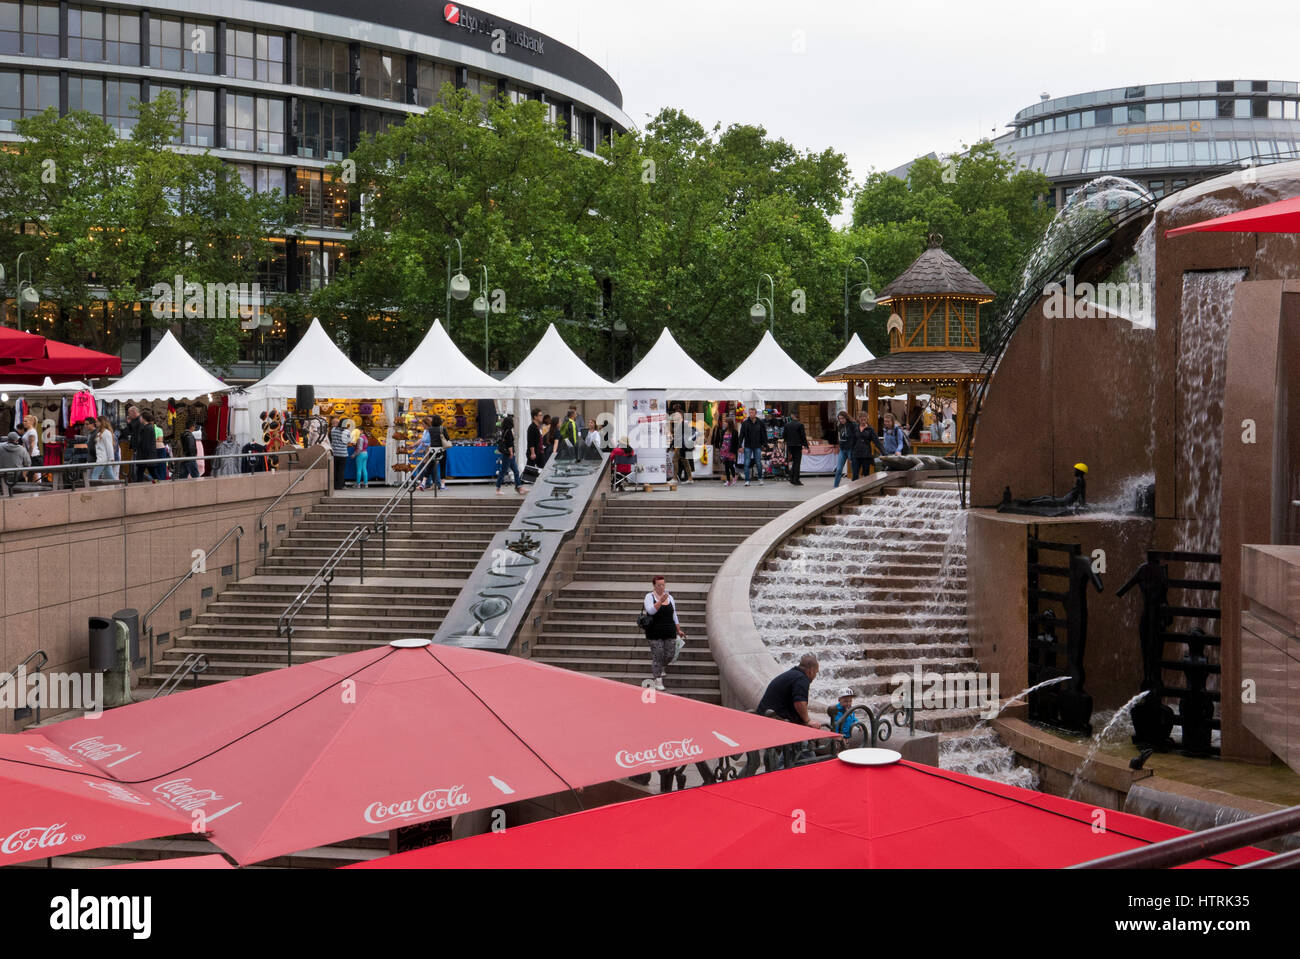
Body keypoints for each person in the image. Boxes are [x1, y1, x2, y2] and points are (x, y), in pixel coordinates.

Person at [643, 575, 685, 690]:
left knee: (670, 654)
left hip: (669, 630)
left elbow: (674, 614)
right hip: (654, 631)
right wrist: (660, 601)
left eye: (663, 585)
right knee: (658, 654)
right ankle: (657, 680)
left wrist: (678, 629)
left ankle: (661, 667)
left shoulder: (670, 597)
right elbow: (650, 611)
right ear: (654, 586)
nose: (661, 587)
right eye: (658, 585)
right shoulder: (649, 596)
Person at [755, 653, 821, 727]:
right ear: (811, 670)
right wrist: (808, 721)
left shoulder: (792, 674)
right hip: (772, 722)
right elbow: (799, 703)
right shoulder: (802, 679)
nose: (815, 675)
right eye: (816, 672)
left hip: (762, 717)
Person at [494, 414, 524, 495]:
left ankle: (519, 487)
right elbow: (509, 444)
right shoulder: (509, 432)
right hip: (508, 455)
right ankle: (498, 488)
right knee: (503, 471)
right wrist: (511, 453)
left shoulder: (504, 431)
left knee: (516, 471)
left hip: (508, 454)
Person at [737, 406, 767, 487]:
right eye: (750, 412)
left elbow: (764, 434)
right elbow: (741, 435)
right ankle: (747, 480)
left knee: (758, 463)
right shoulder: (745, 423)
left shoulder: (760, 422)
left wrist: (765, 444)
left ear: (755, 413)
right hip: (748, 446)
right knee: (746, 463)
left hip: (757, 445)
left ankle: (760, 478)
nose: (751, 414)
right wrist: (739, 446)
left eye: (752, 412)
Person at [853, 410, 883, 480]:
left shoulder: (870, 429)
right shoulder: (855, 428)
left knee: (866, 474)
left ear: (867, 419)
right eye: (861, 419)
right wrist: (850, 454)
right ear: (858, 419)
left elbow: (877, 442)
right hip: (856, 454)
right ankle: (855, 490)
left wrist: (884, 452)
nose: (863, 420)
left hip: (866, 455)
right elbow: (852, 442)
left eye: (864, 419)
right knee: (855, 475)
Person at [832, 410, 859, 488]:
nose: (841, 420)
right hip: (842, 450)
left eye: (843, 418)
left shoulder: (853, 425)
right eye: (840, 419)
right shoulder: (839, 425)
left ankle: (855, 485)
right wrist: (838, 445)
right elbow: (840, 436)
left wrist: (854, 448)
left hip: (851, 449)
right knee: (839, 469)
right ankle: (835, 487)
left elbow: (856, 437)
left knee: (854, 469)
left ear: (846, 417)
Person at [783, 412, 810, 486]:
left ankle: (792, 477)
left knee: (793, 462)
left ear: (792, 416)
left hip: (789, 446)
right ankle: (796, 479)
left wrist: (787, 442)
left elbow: (784, 435)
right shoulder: (800, 425)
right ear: (797, 416)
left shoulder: (787, 425)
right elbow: (803, 436)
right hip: (797, 445)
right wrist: (806, 446)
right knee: (797, 462)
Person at [91, 417, 117, 481]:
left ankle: (93, 490)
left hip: (102, 459)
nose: (95, 423)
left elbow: (109, 446)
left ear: (101, 422)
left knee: (94, 477)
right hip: (103, 458)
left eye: (97, 421)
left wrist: (111, 458)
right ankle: (117, 487)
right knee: (110, 477)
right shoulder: (100, 432)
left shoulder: (106, 433)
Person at [328, 416, 349, 491]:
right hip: (343, 453)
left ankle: (334, 484)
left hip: (335, 453)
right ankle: (340, 485)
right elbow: (348, 441)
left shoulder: (333, 430)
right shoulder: (346, 432)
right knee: (341, 470)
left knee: (335, 469)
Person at [20, 414, 42, 483]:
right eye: (23, 421)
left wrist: (28, 456)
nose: (24, 423)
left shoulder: (32, 431)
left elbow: (31, 445)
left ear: (31, 422)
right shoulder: (28, 431)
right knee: (31, 475)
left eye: (26, 421)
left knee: (35, 475)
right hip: (30, 456)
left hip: (33, 456)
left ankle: (39, 490)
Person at [718, 417, 738, 487]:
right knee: (726, 466)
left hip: (731, 451)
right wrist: (721, 448)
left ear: (729, 423)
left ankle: (734, 477)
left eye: (725, 422)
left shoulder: (735, 432)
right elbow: (721, 440)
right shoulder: (723, 431)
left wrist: (735, 453)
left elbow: (736, 443)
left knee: (730, 465)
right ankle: (728, 481)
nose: (724, 423)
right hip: (724, 451)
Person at [526, 409, 544, 476]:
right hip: (534, 452)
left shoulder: (537, 427)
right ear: (535, 417)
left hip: (539, 451)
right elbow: (531, 442)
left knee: (542, 468)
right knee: (529, 471)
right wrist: (533, 453)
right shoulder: (532, 427)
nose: (541, 417)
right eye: (540, 415)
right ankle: (520, 483)